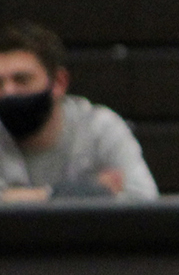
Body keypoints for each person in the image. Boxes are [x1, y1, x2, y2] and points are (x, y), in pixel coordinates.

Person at [1, 20, 159, 202]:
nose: (8, 92)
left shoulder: (99, 128)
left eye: (22, 80)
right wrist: (72, 193)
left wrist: (16, 197)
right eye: (0, 84)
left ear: (59, 82)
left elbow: (144, 199)